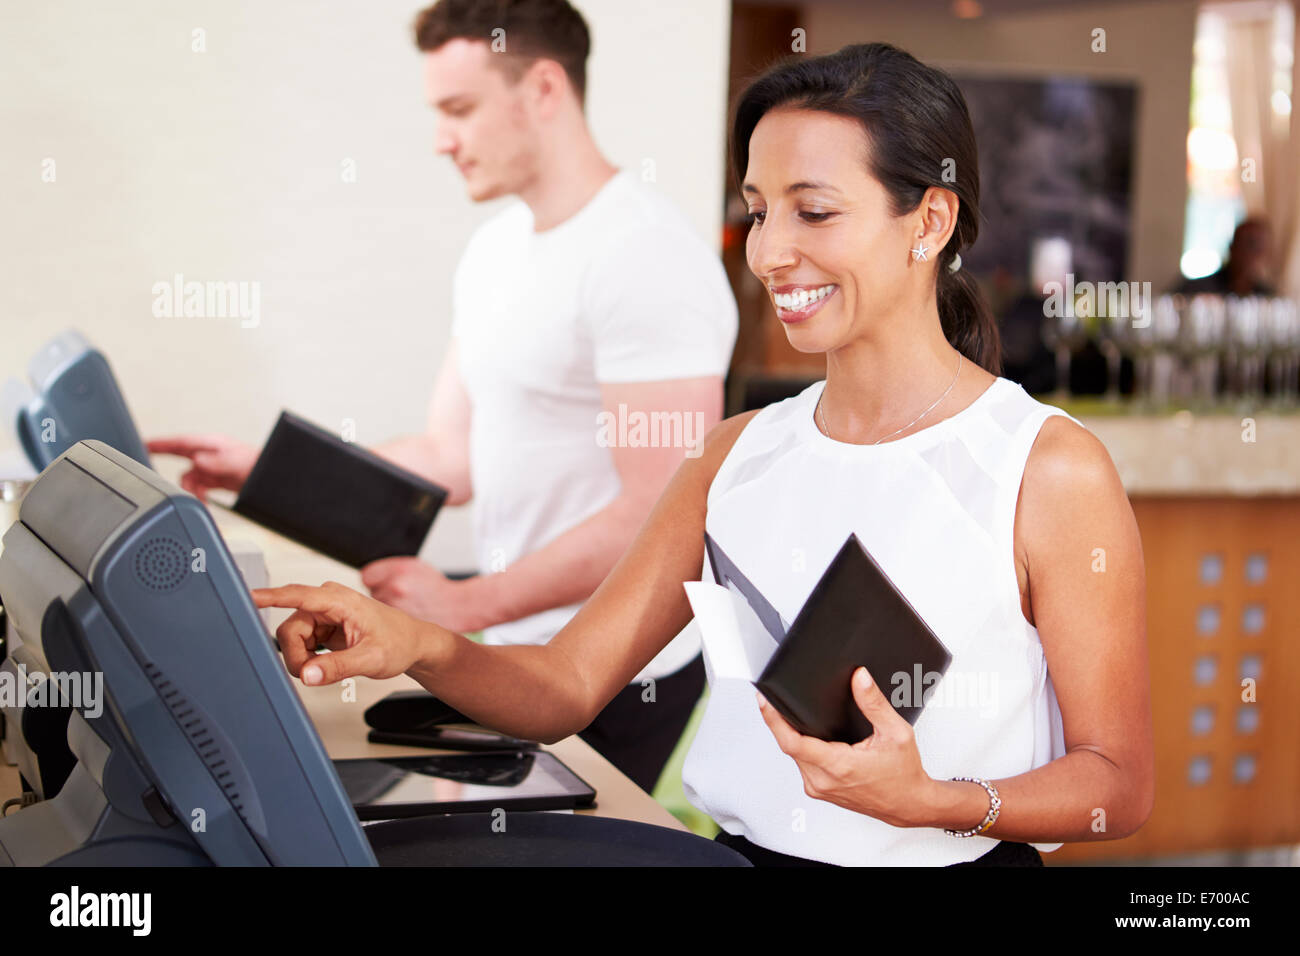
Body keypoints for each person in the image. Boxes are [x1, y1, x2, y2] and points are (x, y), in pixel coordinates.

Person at [252, 42, 1154, 866]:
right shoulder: (735, 455)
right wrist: (416, 642)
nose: (770, 251)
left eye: (815, 212)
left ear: (929, 222)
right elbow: (566, 686)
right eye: (759, 213)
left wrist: (936, 802)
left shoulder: (1045, 470)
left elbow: (1118, 784)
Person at [148, 0, 737, 794]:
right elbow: (448, 458)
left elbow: (658, 510)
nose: (441, 139)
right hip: (516, 646)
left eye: (458, 109)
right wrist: (267, 472)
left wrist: (462, 605)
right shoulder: (497, 251)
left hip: (616, 669)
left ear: (542, 89)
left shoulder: (647, 258)